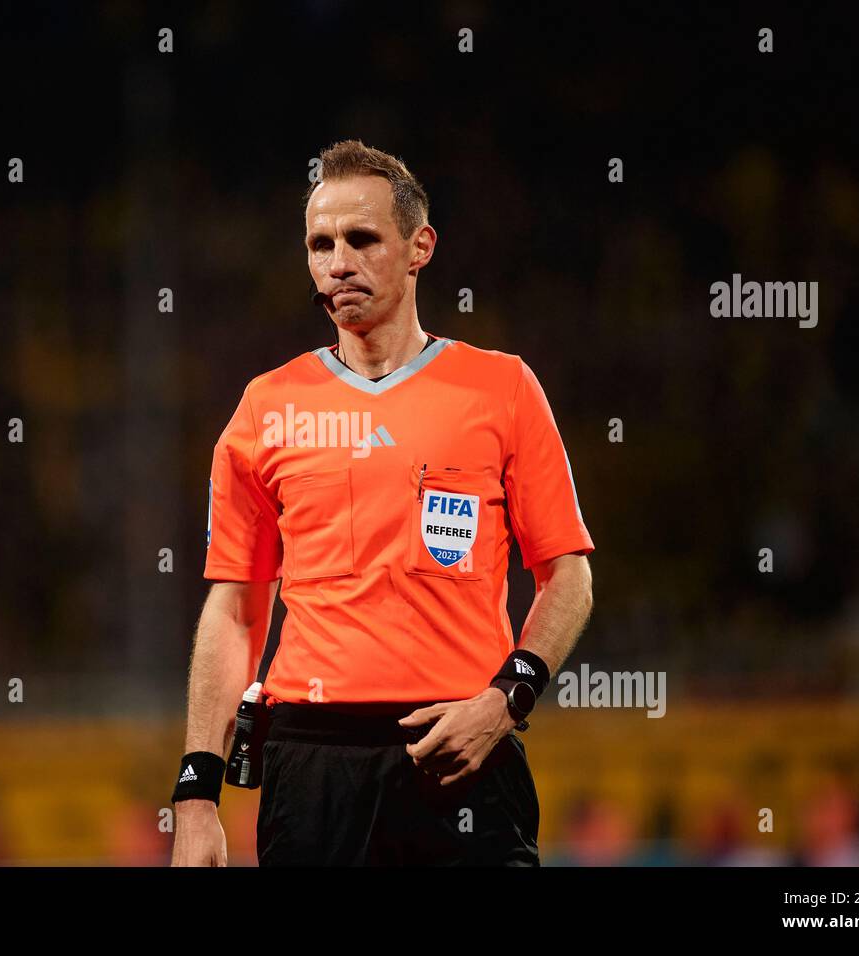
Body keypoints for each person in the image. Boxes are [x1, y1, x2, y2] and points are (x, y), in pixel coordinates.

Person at [171, 140, 594, 866]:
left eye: (362, 239)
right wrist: (196, 795)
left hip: (461, 751)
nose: (338, 262)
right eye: (319, 243)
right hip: (313, 765)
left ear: (418, 247)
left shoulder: (502, 389)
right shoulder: (266, 408)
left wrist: (505, 703)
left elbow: (569, 576)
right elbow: (236, 605)